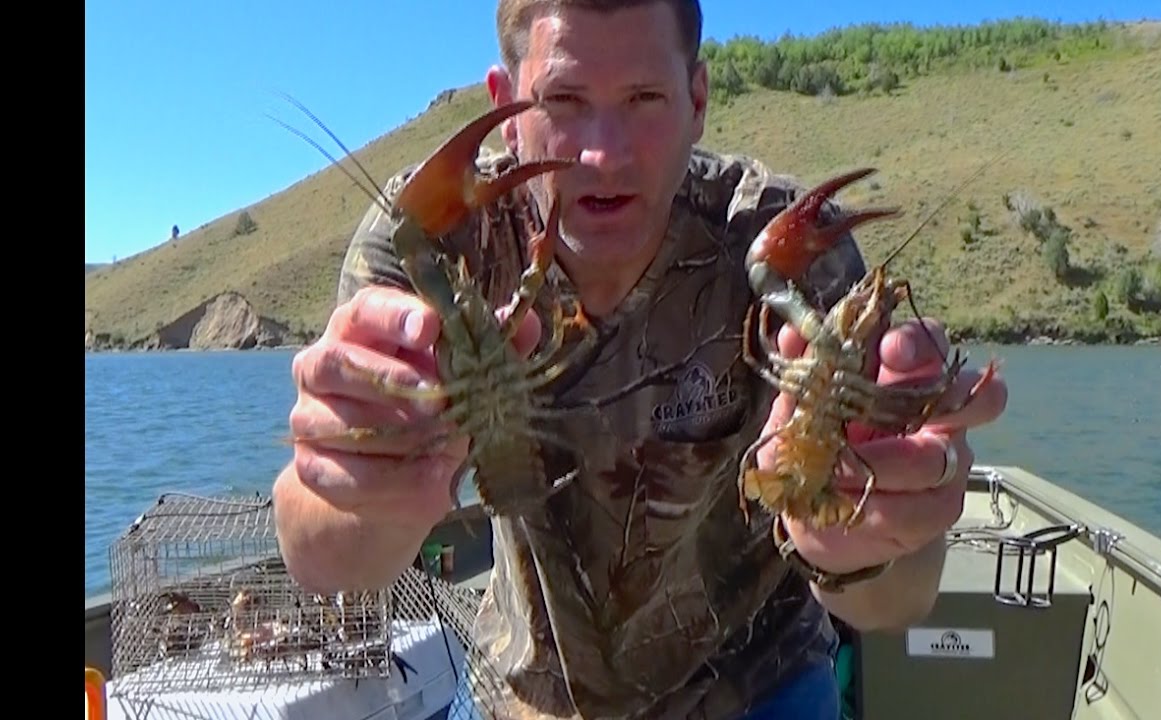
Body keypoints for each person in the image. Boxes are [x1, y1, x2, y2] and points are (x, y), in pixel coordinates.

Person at [272, 0, 1009, 717]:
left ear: (697, 98)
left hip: (761, 689)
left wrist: (861, 545)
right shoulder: (430, 237)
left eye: (644, 97)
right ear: (505, 102)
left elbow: (899, 601)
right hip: (528, 698)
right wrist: (362, 490)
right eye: (564, 98)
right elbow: (322, 560)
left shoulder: (781, 251)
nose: (604, 153)